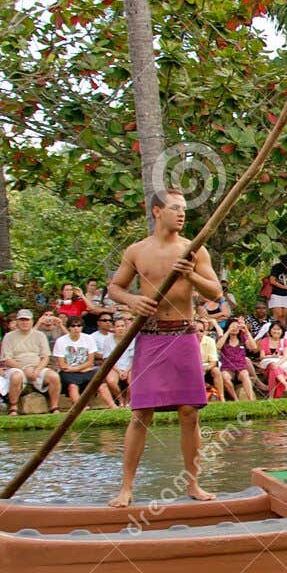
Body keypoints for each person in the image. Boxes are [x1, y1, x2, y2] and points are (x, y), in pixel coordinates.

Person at [106, 187, 222, 506]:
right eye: (174, 208)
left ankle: (193, 485)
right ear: (157, 211)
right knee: (141, 412)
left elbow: (215, 293)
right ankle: (126, 488)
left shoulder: (193, 250)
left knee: (189, 414)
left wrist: (191, 276)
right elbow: (114, 288)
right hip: (151, 336)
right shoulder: (136, 251)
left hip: (183, 335)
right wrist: (132, 300)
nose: (182, 213)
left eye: (184, 208)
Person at [0, 309, 62, 415]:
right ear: (17, 322)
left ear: (32, 321)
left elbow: (45, 357)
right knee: (16, 376)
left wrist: (37, 370)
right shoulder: (9, 336)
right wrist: (24, 369)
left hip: (37, 366)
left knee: (54, 376)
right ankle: (13, 407)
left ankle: (54, 407)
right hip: (17, 367)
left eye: (27, 320)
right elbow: (6, 359)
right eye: (22, 320)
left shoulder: (40, 335)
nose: (24, 322)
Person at [52, 314, 107, 408]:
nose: (76, 328)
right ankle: (81, 408)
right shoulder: (61, 341)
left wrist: (77, 369)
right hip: (69, 372)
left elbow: (90, 361)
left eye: (79, 326)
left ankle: (113, 405)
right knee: (72, 386)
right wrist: (78, 370)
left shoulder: (88, 338)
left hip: (83, 370)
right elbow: (62, 365)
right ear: (69, 328)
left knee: (101, 381)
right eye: (73, 326)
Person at [216, 318, 259, 401]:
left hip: (241, 367)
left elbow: (254, 347)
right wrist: (228, 332)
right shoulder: (224, 339)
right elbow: (218, 346)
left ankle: (251, 399)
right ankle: (236, 399)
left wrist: (246, 332)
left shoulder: (242, 339)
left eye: (237, 327)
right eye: (232, 327)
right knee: (225, 377)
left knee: (245, 375)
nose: (235, 329)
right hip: (227, 368)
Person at [255, 321, 287, 398]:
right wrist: (271, 356)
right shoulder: (265, 341)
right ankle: (285, 384)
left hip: (282, 365)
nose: (276, 331)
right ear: (270, 330)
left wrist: (277, 364)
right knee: (272, 366)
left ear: (282, 331)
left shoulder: (285, 341)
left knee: (273, 369)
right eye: (274, 329)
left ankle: (271, 396)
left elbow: (285, 356)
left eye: (278, 329)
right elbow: (262, 356)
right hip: (267, 365)